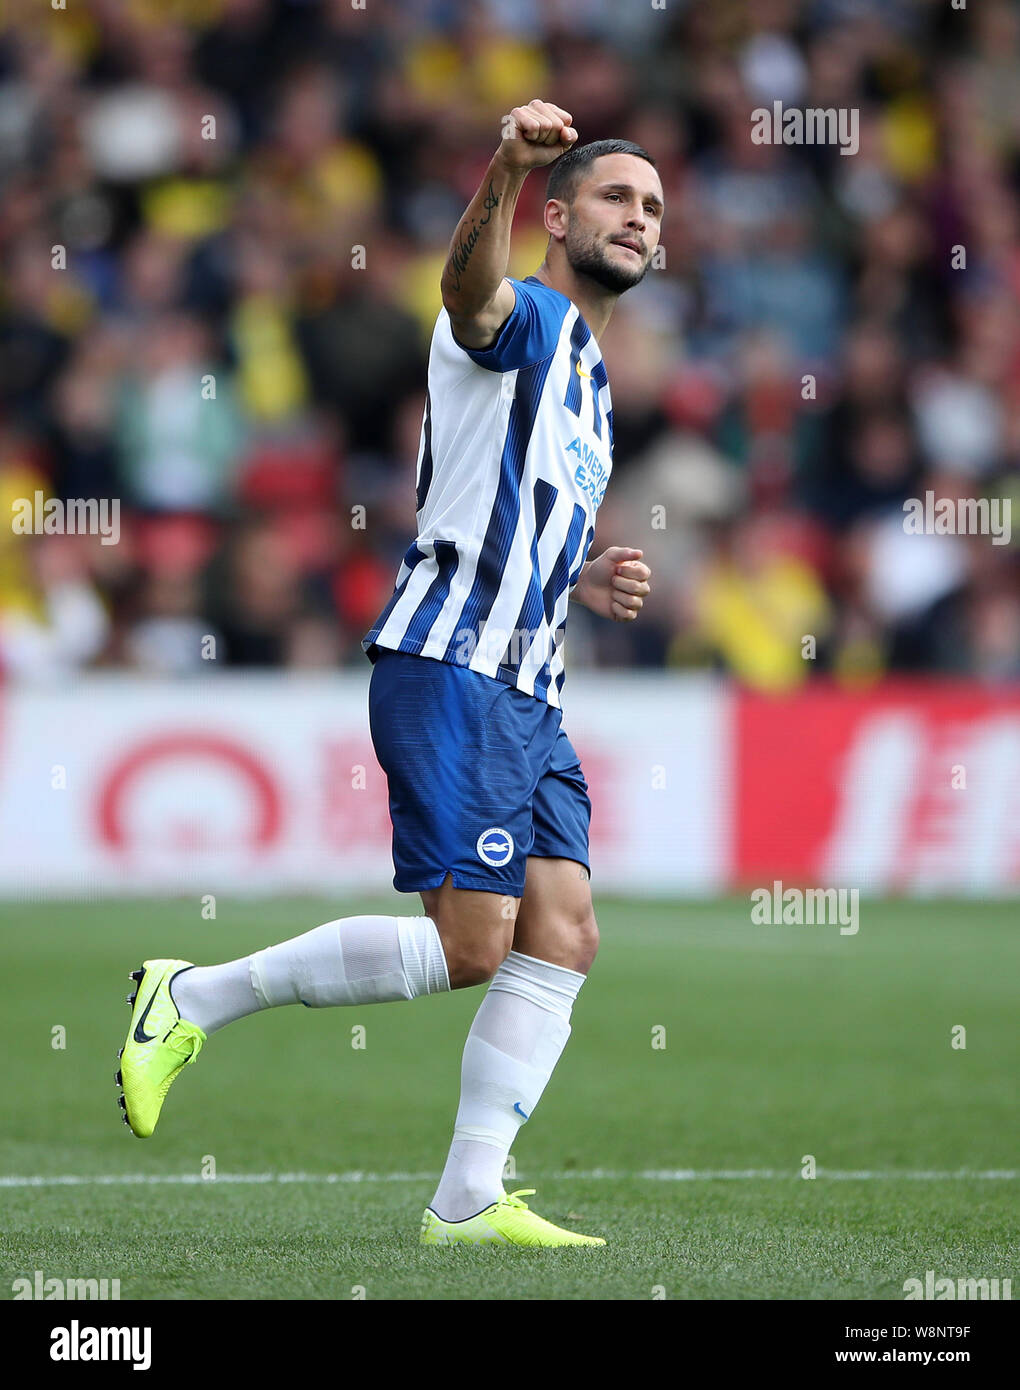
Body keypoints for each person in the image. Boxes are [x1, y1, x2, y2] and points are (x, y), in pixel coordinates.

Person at [118, 100, 660, 1248]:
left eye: (654, 208)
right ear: (556, 217)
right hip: (452, 664)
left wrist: (583, 574)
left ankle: (468, 1195)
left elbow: (502, 514)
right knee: (476, 943)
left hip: (530, 681)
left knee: (563, 930)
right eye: (618, 196)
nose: (641, 218)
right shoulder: (525, 314)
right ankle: (193, 995)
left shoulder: (594, 383)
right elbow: (467, 291)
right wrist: (505, 172)